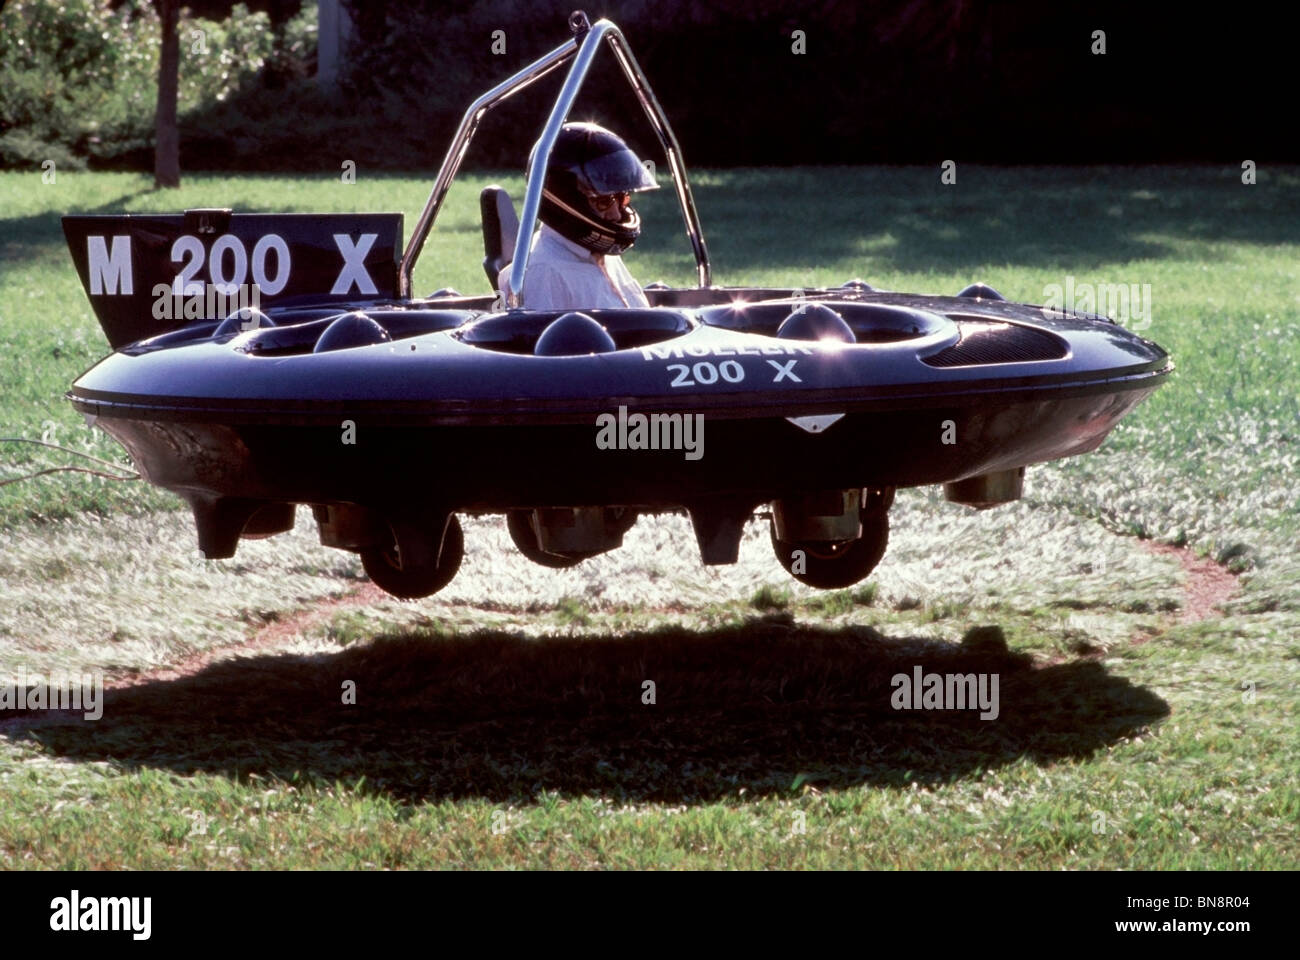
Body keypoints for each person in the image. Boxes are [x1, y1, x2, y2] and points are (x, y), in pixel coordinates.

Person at [499, 122, 658, 310]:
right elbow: (543, 339)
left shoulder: (603, 256)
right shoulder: (544, 272)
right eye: (603, 201)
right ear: (566, 200)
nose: (616, 214)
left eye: (621, 197)